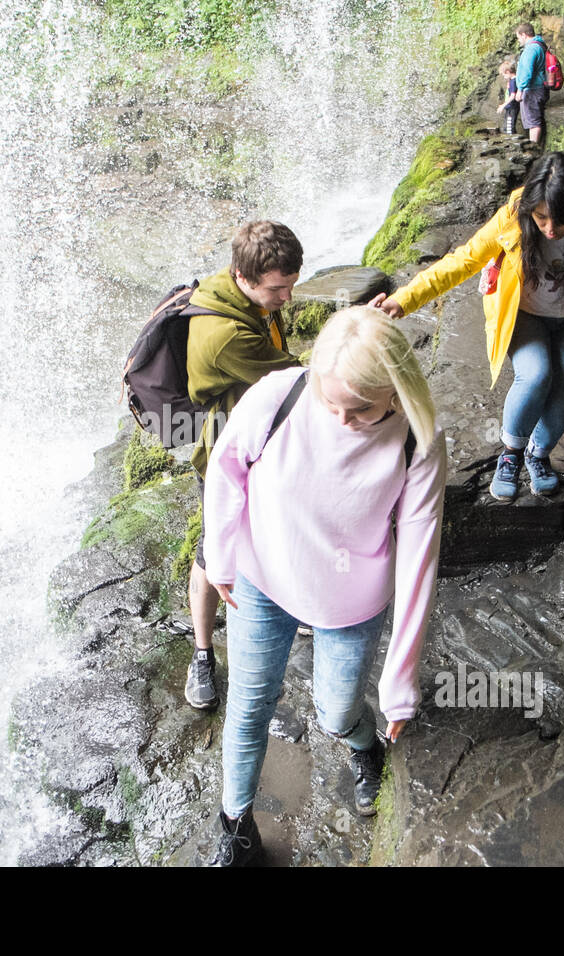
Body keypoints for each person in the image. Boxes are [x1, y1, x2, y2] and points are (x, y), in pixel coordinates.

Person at [202, 306, 445, 866]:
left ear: (395, 392)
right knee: (248, 704)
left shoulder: (419, 442)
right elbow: (226, 465)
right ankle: (236, 825)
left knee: (337, 712)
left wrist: (399, 684)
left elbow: (417, 561)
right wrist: (220, 555)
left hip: (348, 600)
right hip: (262, 579)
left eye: (358, 410)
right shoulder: (279, 395)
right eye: (328, 402)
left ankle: (365, 747)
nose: (338, 420)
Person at [372, 153, 564, 503]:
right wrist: (404, 299)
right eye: (541, 217)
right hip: (524, 315)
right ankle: (510, 454)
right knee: (536, 375)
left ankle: (537, 455)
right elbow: (465, 259)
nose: (549, 229)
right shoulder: (513, 215)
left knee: (562, 395)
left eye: (561, 221)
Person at [183, 221, 302, 711]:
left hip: (255, 432)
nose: (288, 298)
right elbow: (296, 380)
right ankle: (203, 653)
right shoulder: (227, 335)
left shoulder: (242, 291)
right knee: (214, 549)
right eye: (278, 289)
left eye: (292, 285)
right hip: (222, 452)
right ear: (245, 276)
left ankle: (288, 598)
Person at [515, 22, 550, 148]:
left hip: (533, 89)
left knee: (533, 121)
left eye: (518, 37)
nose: (519, 40)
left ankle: (533, 149)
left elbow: (527, 72)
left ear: (524, 35)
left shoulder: (531, 49)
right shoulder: (540, 45)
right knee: (534, 119)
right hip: (539, 88)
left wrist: (520, 89)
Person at [498, 58, 522, 135]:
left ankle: (512, 143)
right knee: (507, 126)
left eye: (504, 75)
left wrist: (503, 105)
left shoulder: (513, 81)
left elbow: (512, 96)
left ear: (508, 72)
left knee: (509, 127)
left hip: (512, 108)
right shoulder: (513, 80)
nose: (504, 77)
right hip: (510, 107)